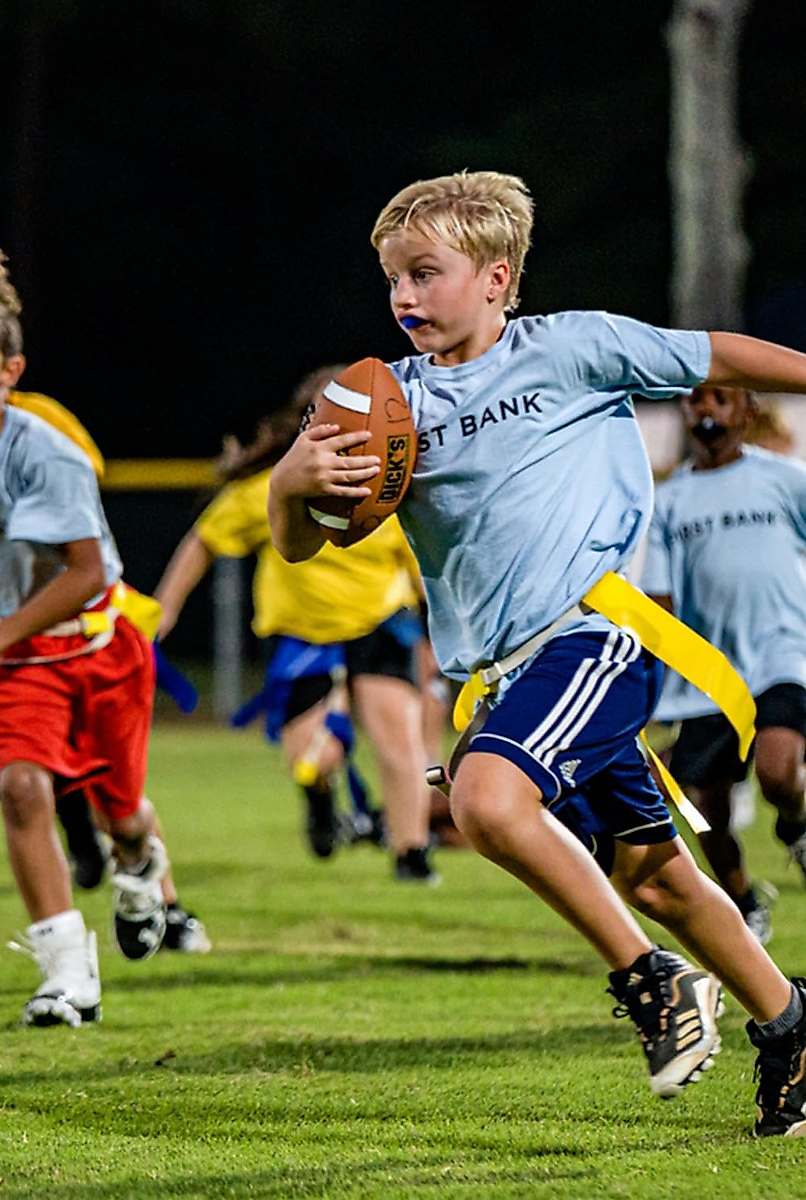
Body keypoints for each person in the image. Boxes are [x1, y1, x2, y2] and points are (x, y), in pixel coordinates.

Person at [266, 170, 806, 1137]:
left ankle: (654, 981)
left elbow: (714, 351)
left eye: (426, 274)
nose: (404, 298)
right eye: (393, 279)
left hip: (594, 634)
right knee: (654, 876)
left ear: (496, 277)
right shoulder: (396, 404)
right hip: (500, 675)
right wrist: (287, 486)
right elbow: (315, 539)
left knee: (483, 799)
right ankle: (793, 1025)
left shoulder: (574, 347)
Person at [0, 230, 207, 1028]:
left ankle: (141, 863)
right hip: (20, 659)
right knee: (24, 787)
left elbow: (87, 573)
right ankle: (68, 975)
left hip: (101, 647)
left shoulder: (47, 453)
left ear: (10, 373)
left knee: (122, 808)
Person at [155, 364, 440, 882]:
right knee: (313, 757)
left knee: (399, 740)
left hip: (380, 622)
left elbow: (418, 566)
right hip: (301, 634)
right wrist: (166, 608)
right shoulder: (274, 487)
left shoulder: (390, 492)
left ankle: (411, 853)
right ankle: (320, 801)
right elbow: (204, 540)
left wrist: (438, 631)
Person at [642, 384, 806, 946]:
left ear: (747, 411)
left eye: (720, 398)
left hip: (782, 653)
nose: (706, 409)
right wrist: (652, 683)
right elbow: (659, 600)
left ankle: (795, 822)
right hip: (708, 675)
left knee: (779, 768)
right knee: (700, 806)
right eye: (695, 401)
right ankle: (742, 899)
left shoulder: (785, 479)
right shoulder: (668, 501)